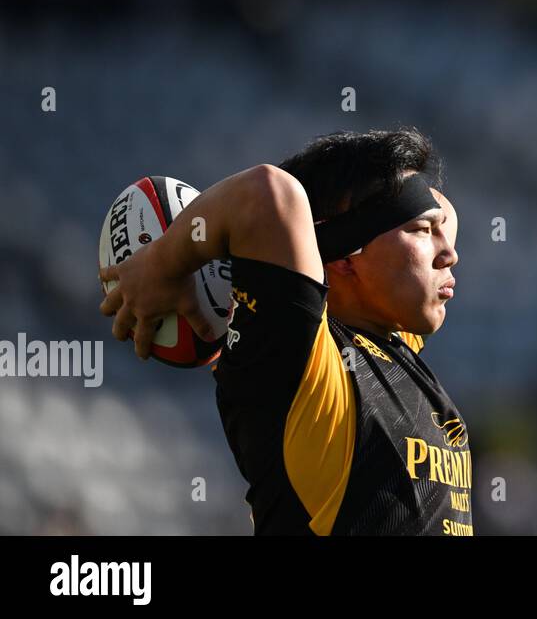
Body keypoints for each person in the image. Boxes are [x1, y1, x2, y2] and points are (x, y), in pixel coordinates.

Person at [97, 127, 472, 535]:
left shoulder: (389, 337)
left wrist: (403, 201)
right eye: (422, 230)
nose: (450, 251)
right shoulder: (302, 365)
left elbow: (442, 209)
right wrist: (163, 263)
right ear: (347, 257)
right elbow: (267, 193)